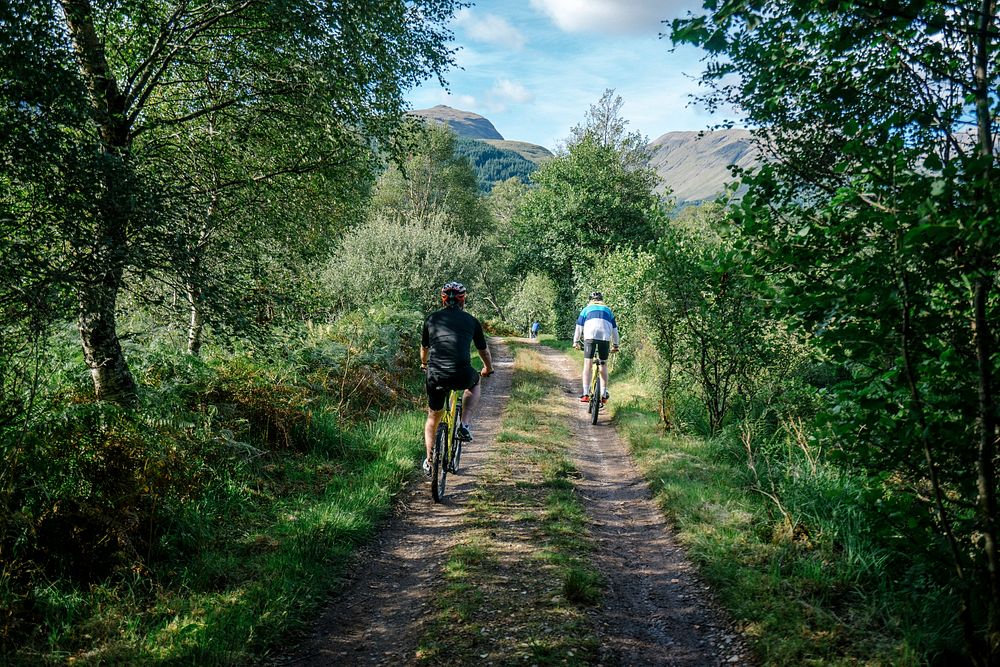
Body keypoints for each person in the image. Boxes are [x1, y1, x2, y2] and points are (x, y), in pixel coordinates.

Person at [420, 281, 494, 476]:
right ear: (463, 300)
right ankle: (465, 424)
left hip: (435, 374)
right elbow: (483, 351)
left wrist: (424, 364)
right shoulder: (471, 321)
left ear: (443, 299)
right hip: (461, 373)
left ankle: (429, 459)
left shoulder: (431, 319)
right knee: (476, 381)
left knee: (432, 417)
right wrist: (488, 368)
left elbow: (424, 349)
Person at [572, 291, 619, 403]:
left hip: (590, 337)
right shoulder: (608, 310)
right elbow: (614, 330)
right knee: (603, 364)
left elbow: (579, 327)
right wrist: (616, 345)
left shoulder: (586, 309)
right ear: (602, 300)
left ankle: (585, 394)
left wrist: (576, 342)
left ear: (590, 300)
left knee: (587, 364)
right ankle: (603, 394)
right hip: (604, 338)